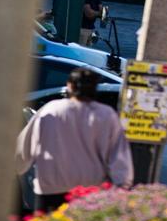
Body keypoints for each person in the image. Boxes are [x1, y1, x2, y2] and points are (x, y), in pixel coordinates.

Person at [16, 69, 133, 212]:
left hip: (51, 186)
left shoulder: (50, 110)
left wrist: (16, 167)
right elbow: (118, 154)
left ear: (69, 85)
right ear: (94, 88)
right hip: (90, 190)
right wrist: (122, 185)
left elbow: (25, 147)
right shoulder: (107, 115)